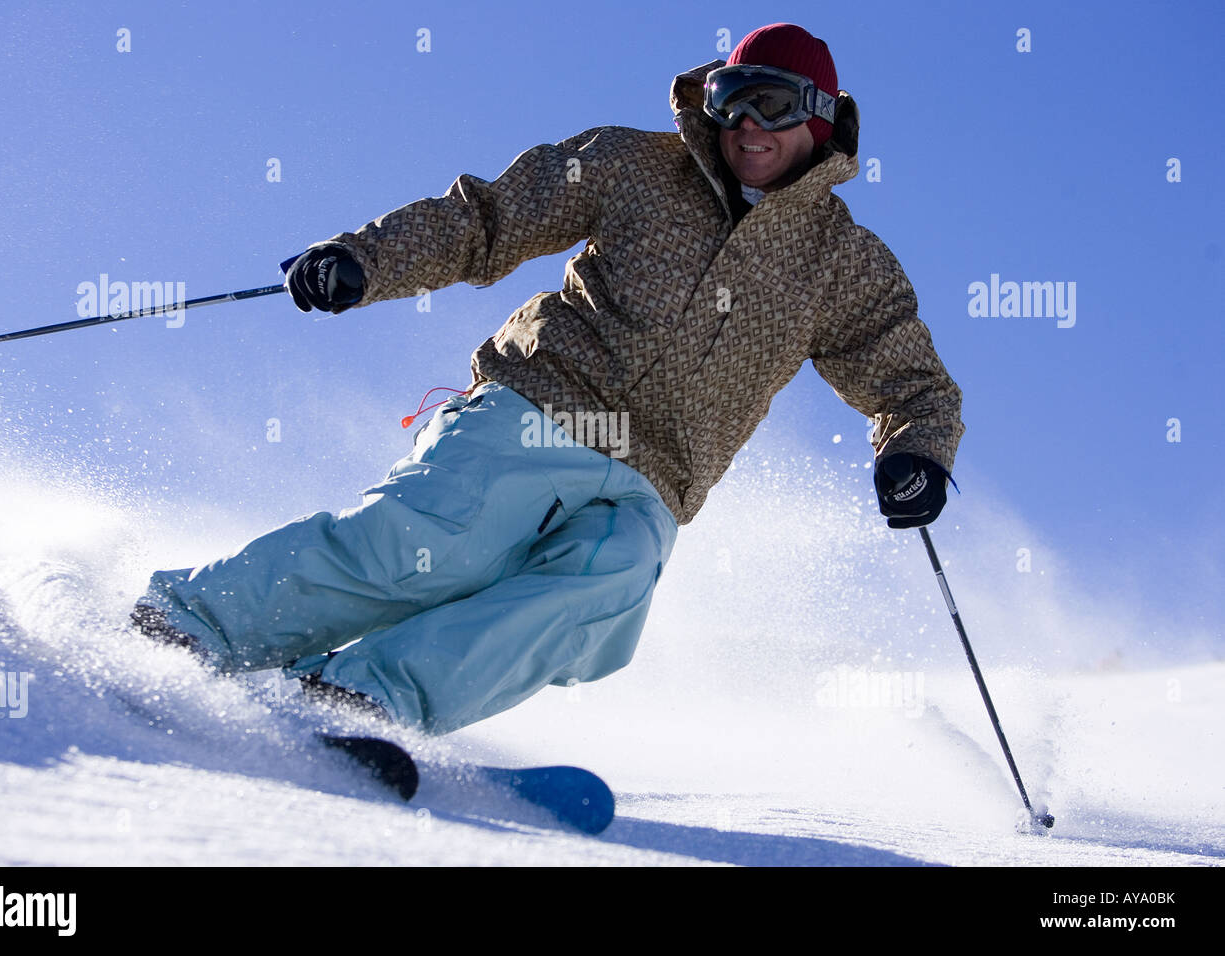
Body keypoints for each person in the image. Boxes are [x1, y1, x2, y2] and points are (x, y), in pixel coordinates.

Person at [129, 23, 964, 735]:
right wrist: (364, 260)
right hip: (543, 406)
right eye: (729, 98)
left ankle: (359, 704)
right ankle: (186, 626)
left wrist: (916, 455)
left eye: (771, 103)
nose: (745, 123)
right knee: (427, 550)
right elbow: (490, 219)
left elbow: (913, 384)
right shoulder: (633, 165)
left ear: (820, 119)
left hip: (656, 479)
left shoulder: (844, 265)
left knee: (590, 601)